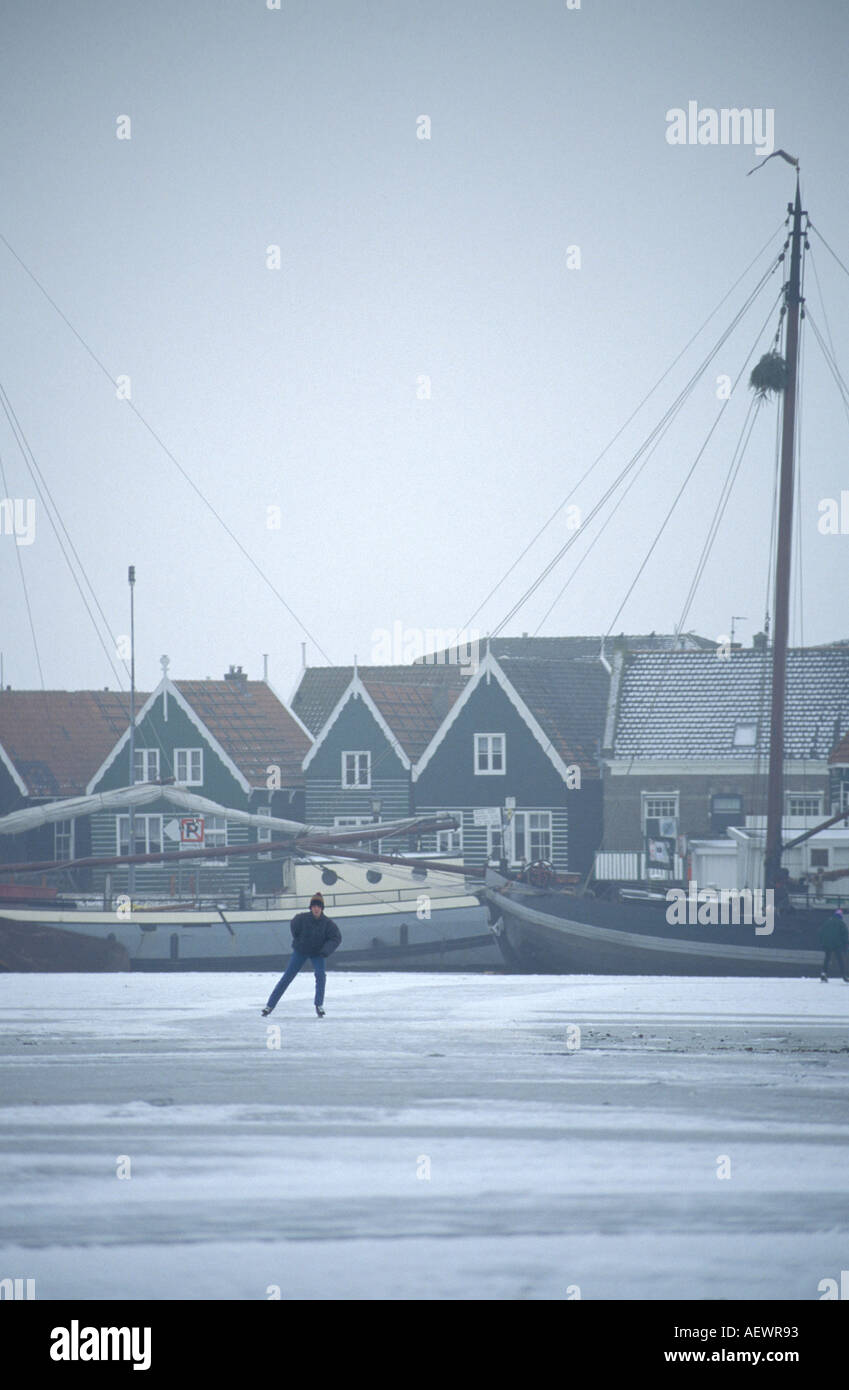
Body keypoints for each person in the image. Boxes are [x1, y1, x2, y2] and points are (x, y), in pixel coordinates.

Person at [262, 892, 342, 1016]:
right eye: (314, 906)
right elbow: (294, 925)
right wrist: (298, 939)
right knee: (287, 977)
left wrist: (325, 951)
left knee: (321, 976)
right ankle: (269, 1006)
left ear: (322, 908)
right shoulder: (302, 918)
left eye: (318, 906)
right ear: (311, 908)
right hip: (301, 951)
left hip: (317, 953)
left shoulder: (327, 923)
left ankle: (319, 1005)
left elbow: (336, 938)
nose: (316, 909)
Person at [818, 907, 848, 982]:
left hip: (827, 944)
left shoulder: (827, 922)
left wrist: (822, 942)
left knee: (827, 958)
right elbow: (845, 935)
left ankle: (823, 974)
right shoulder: (841, 923)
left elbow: (821, 932)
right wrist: (846, 944)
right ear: (841, 916)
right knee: (840, 959)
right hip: (836, 944)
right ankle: (844, 975)